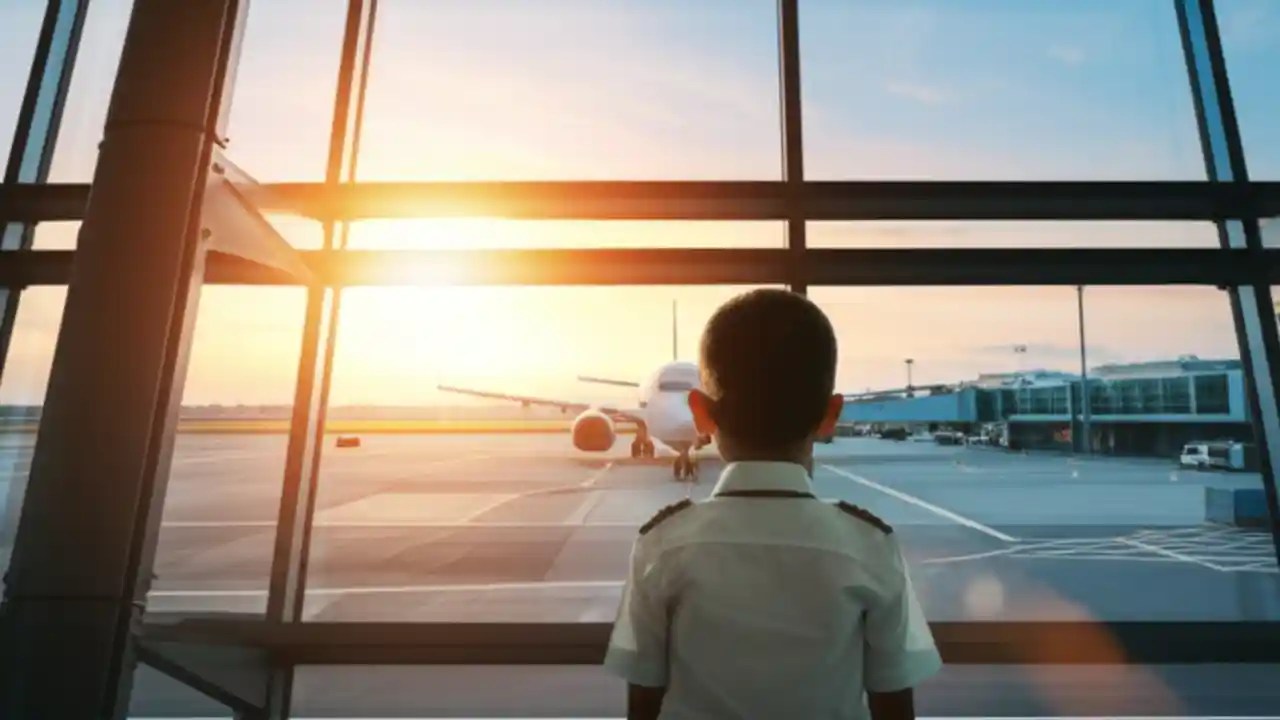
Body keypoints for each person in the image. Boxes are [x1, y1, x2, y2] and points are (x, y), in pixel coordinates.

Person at [604, 289, 941, 720]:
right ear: (830, 415)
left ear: (701, 414)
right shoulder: (870, 545)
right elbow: (894, 701)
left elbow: (643, 701)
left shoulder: (661, 545)